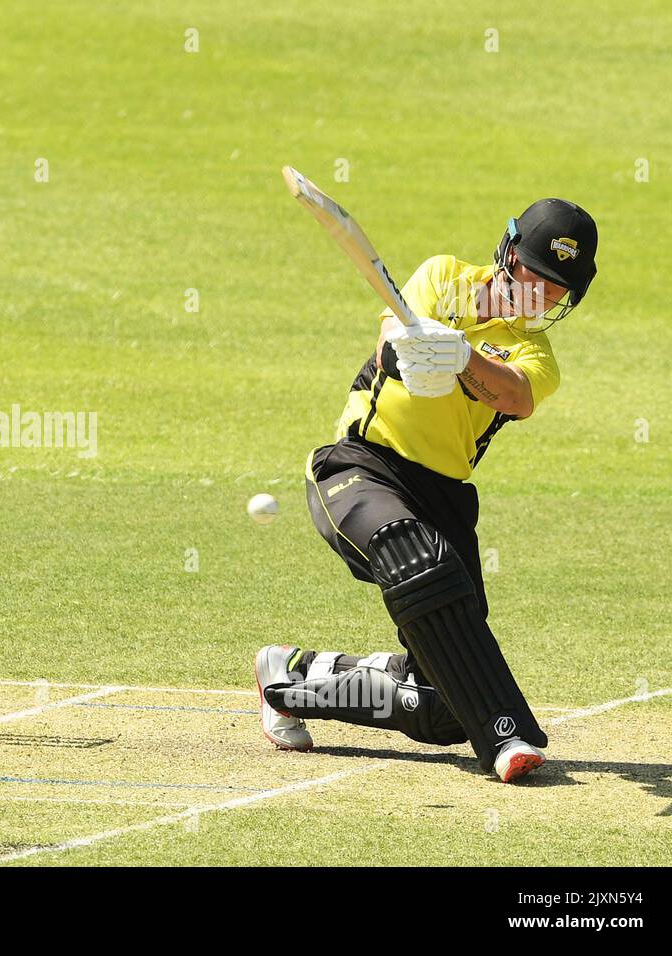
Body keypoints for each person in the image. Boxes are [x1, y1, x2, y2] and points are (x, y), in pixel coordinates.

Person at [254, 198, 598, 782]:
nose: (541, 295)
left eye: (556, 290)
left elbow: (513, 394)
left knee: (444, 707)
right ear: (508, 254)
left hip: (444, 498)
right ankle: (506, 735)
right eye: (534, 276)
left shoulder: (535, 353)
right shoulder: (445, 277)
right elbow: (393, 333)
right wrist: (412, 348)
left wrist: (461, 357)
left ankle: (291, 679)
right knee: (416, 556)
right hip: (360, 466)